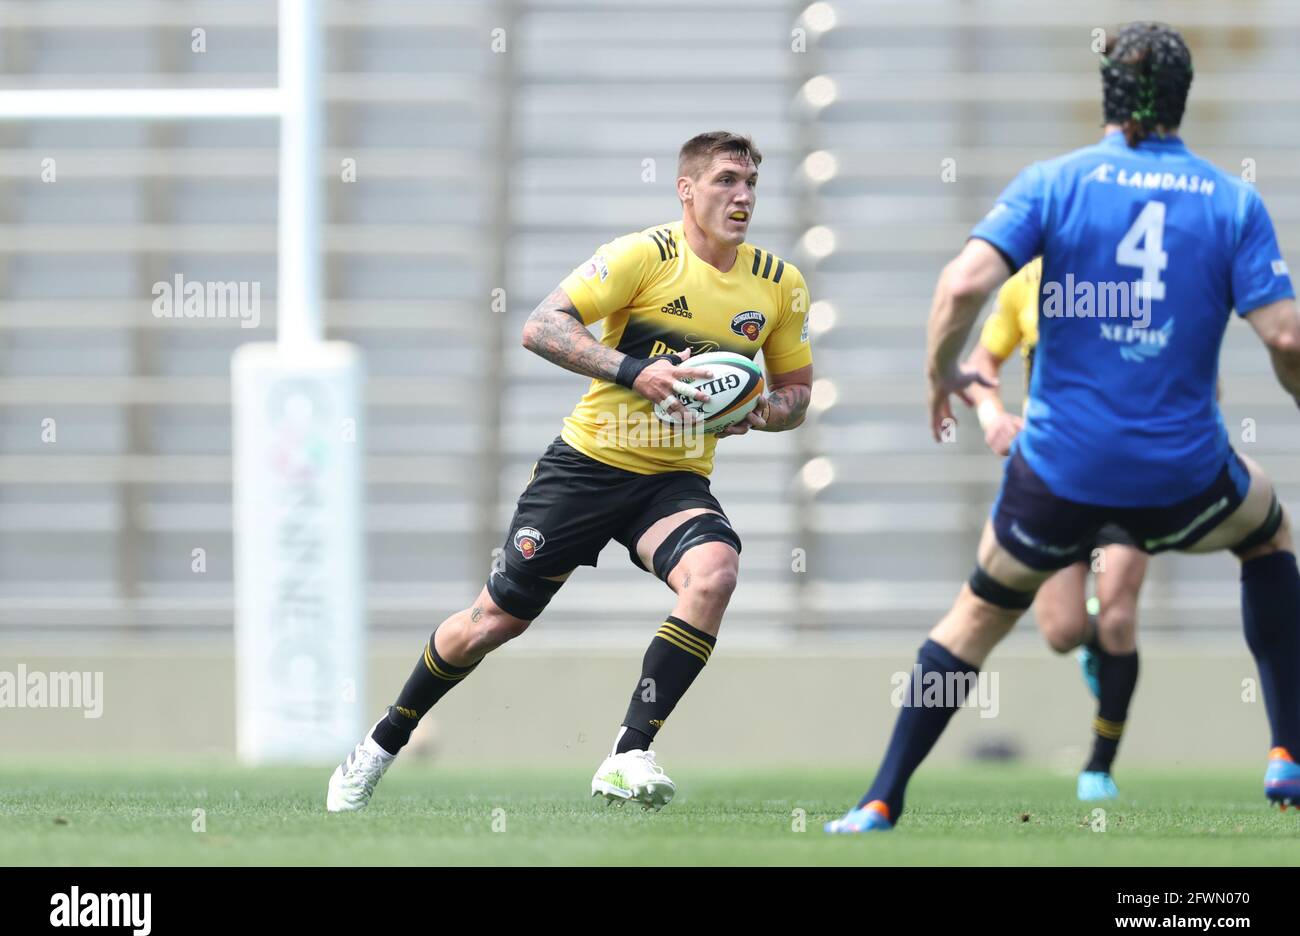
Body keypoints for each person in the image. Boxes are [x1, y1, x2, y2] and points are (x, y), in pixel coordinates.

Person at [827, 22, 1300, 833]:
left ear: (1106, 97)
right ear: (1186, 99)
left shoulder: (1054, 182)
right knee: (1269, 536)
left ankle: (881, 797)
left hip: (1058, 475)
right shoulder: (1234, 200)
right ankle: (1287, 749)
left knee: (972, 620)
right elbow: (1287, 338)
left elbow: (961, 284)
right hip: (1182, 477)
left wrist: (940, 373)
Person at [327, 131, 814, 812]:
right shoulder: (641, 257)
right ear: (687, 189)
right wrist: (636, 371)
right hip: (586, 466)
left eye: (752, 183)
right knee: (492, 622)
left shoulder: (779, 284)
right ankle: (382, 742)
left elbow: (796, 393)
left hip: (671, 483)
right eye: (727, 180)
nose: (743, 196)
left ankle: (628, 753)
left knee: (715, 572)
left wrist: (762, 410)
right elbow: (541, 326)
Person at [965, 257, 1146, 801]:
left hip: (1128, 479)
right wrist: (993, 416)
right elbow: (980, 368)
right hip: (1056, 481)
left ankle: (1099, 765)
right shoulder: (1024, 285)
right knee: (1063, 633)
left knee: (1118, 616)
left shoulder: (1137, 283)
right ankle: (1092, 639)